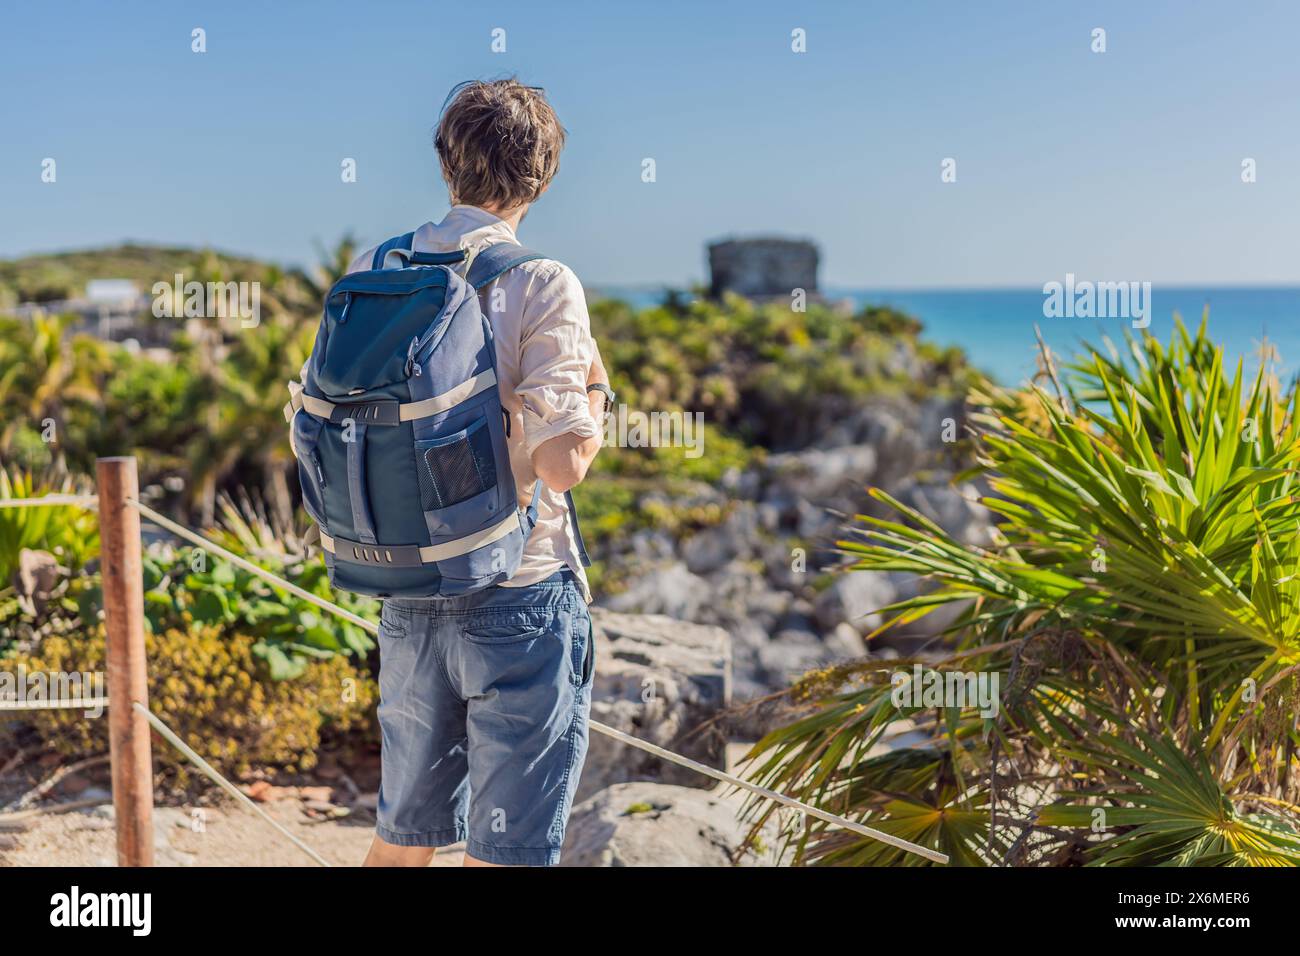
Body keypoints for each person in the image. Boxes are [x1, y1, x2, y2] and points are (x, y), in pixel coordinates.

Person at [358, 79, 612, 867]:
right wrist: (598, 396)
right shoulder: (542, 281)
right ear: (541, 177)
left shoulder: (374, 266)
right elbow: (561, 468)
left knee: (401, 842)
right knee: (505, 855)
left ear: (446, 163)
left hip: (409, 588)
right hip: (518, 595)